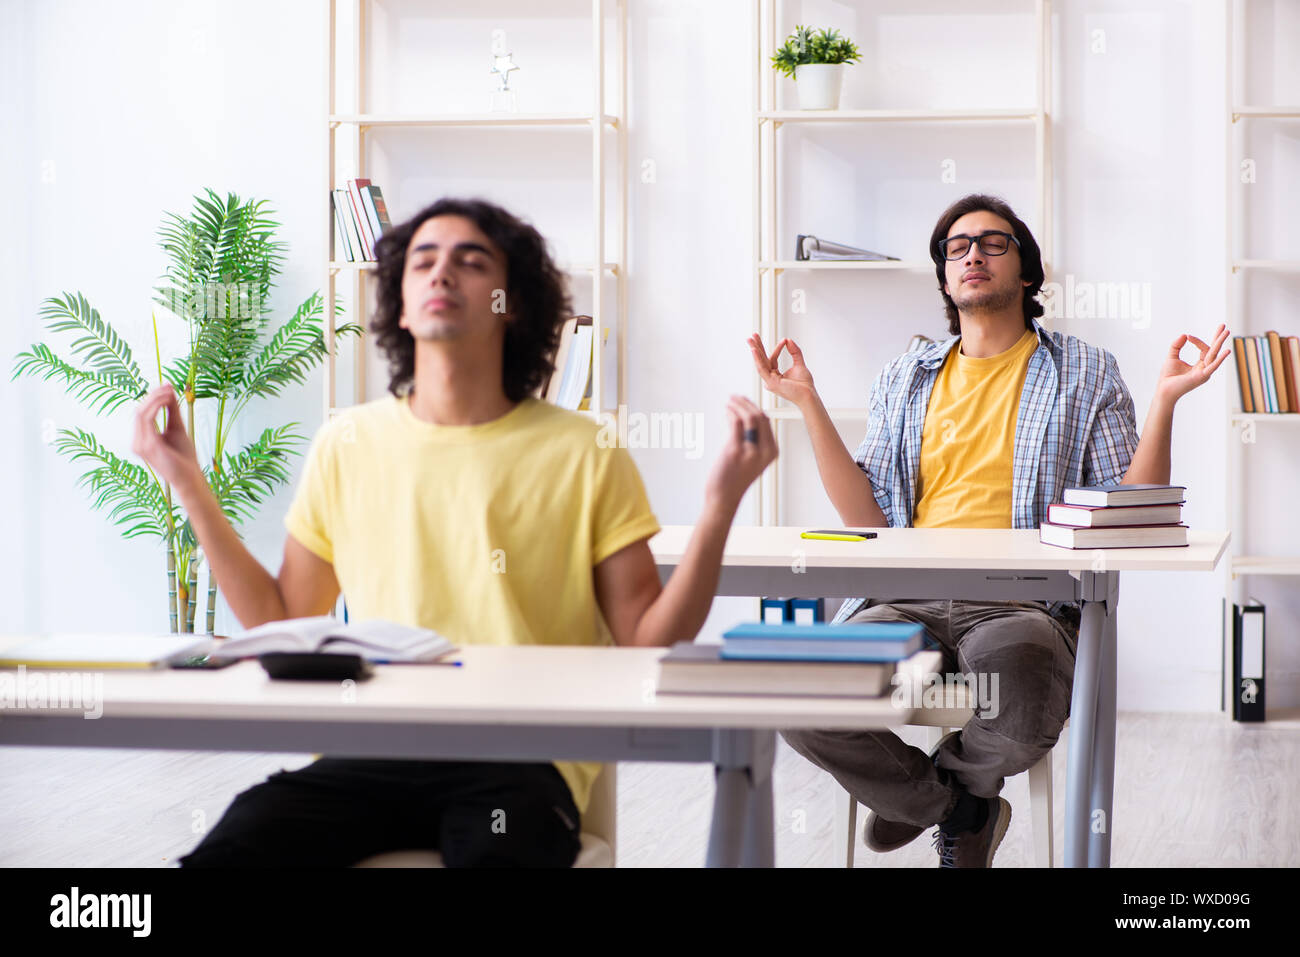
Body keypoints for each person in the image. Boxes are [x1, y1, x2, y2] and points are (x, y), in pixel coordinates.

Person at [133, 196, 778, 867]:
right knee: (233, 851)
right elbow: (284, 615)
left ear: (513, 304)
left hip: (518, 762)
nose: (443, 273)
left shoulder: (586, 450)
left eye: (471, 261)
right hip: (369, 754)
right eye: (424, 261)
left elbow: (650, 638)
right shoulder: (346, 443)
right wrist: (187, 482)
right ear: (402, 305)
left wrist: (719, 505)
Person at [748, 193, 1228, 867]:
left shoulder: (1084, 369)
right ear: (945, 277)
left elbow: (1132, 512)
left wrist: (1166, 401)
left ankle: (925, 797)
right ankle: (958, 810)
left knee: (1025, 705)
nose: (973, 254)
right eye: (957, 246)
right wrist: (806, 400)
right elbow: (869, 521)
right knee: (796, 696)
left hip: (1022, 601)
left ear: (1027, 271)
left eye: (993, 243)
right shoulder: (905, 376)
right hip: (903, 600)